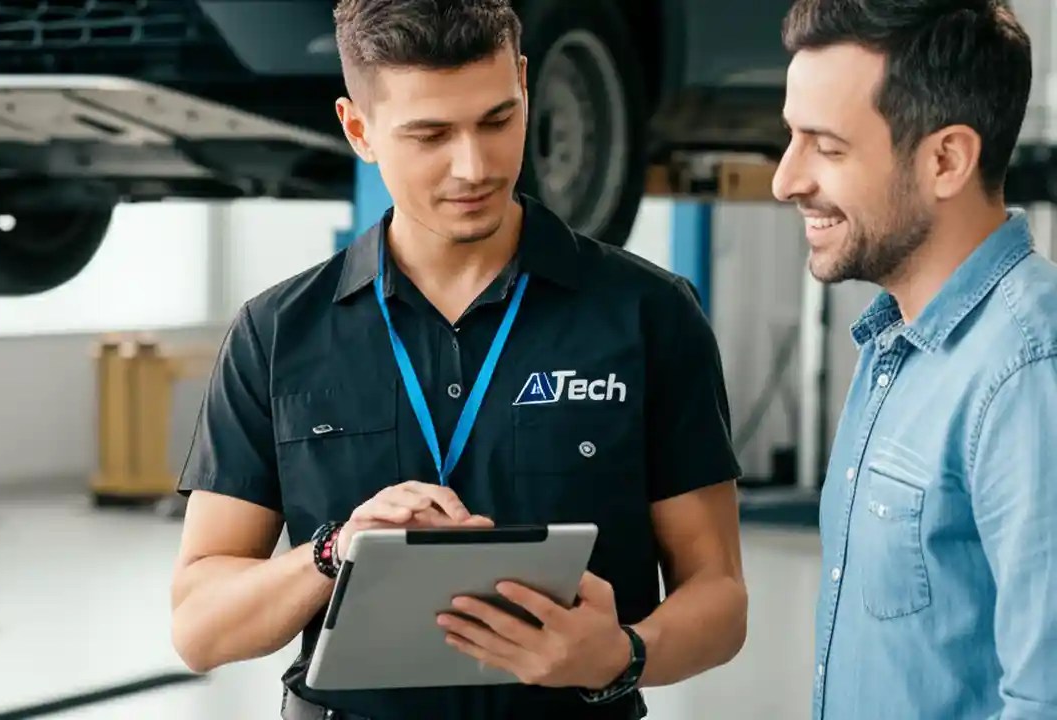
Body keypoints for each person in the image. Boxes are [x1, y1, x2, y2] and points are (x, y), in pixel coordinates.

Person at [170, 1, 747, 718]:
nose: (473, 166)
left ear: (528, 87)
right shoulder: (277, 334)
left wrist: (623, 654)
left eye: (497, 120)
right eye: (431, 134)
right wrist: (335, 551)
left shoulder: (649, 315)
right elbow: (200, 629)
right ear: (359, 129)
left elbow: (719, 597)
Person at [772, 1, 1057, 718]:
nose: (785, 180)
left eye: (826, 147)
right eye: (790, 138)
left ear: (945, 159)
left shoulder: (1027, 373)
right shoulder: (895, 344)